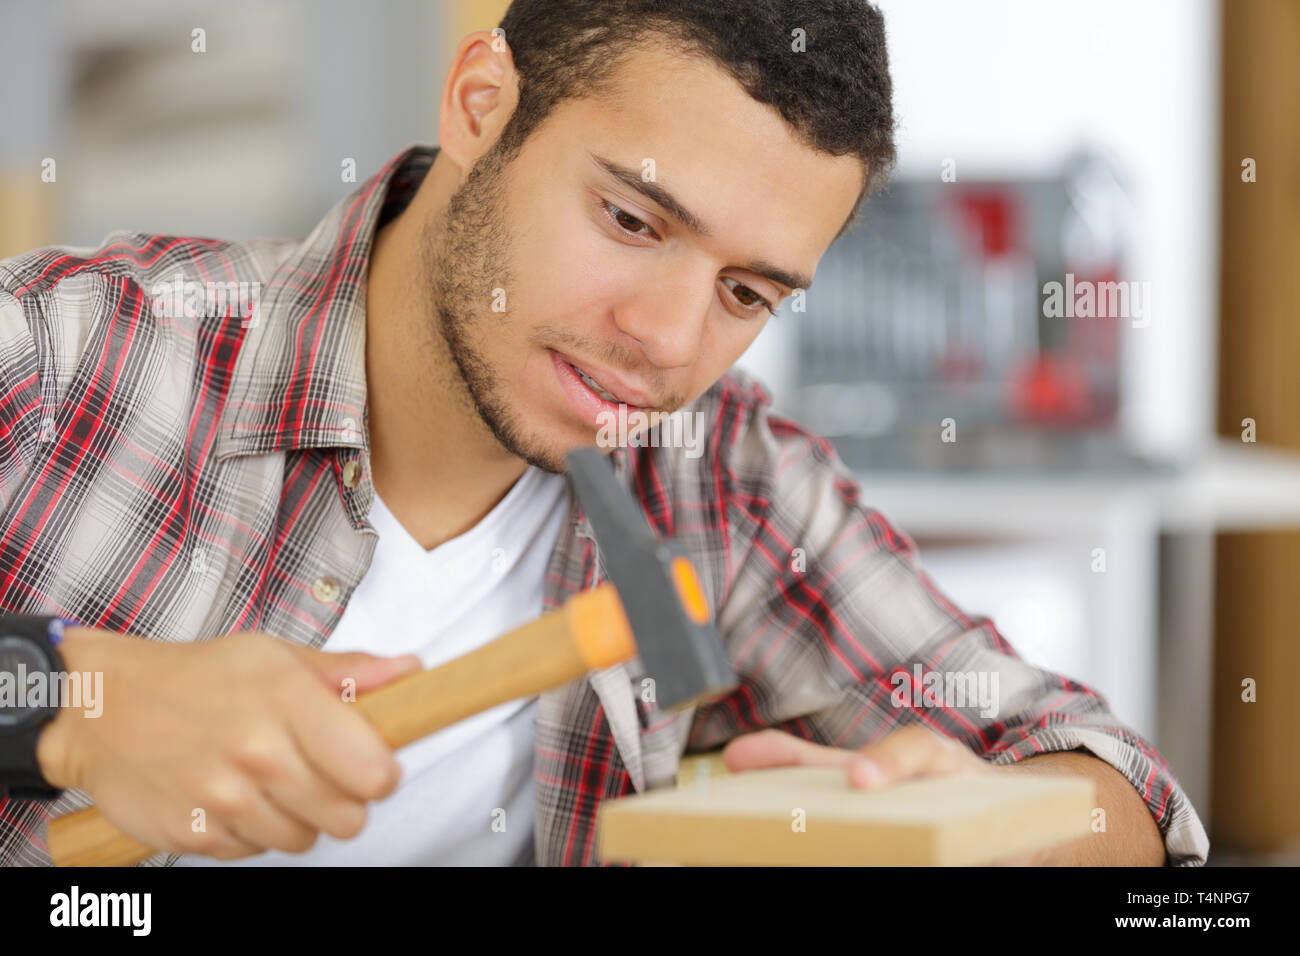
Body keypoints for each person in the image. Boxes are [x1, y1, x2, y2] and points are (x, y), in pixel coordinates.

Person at [0, 0, 1207, 866]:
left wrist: (990, 829)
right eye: (632, 219)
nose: (667, 341)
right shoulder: (65, 350)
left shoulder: (722, 485)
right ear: (483, 106)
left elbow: (1115, 782)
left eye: (747, 292)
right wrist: (73, 695)